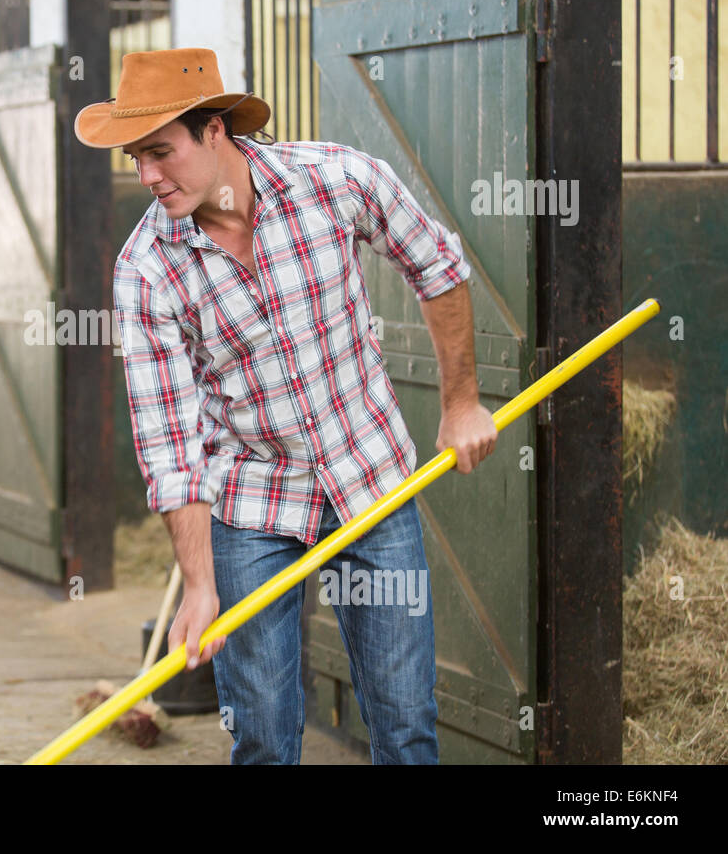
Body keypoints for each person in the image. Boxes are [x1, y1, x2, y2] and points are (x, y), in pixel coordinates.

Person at [74, 46, 497, 764]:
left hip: (371, 476)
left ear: (215, 132)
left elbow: (439, 263)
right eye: (135, 159)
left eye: (159, 152)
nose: (146, 176)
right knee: (263, 735)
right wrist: (201, 584)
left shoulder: (334, 179)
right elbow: (171, 445)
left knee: (405, 723)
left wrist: (462, 404)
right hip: (251, 502)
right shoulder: (146, 271)